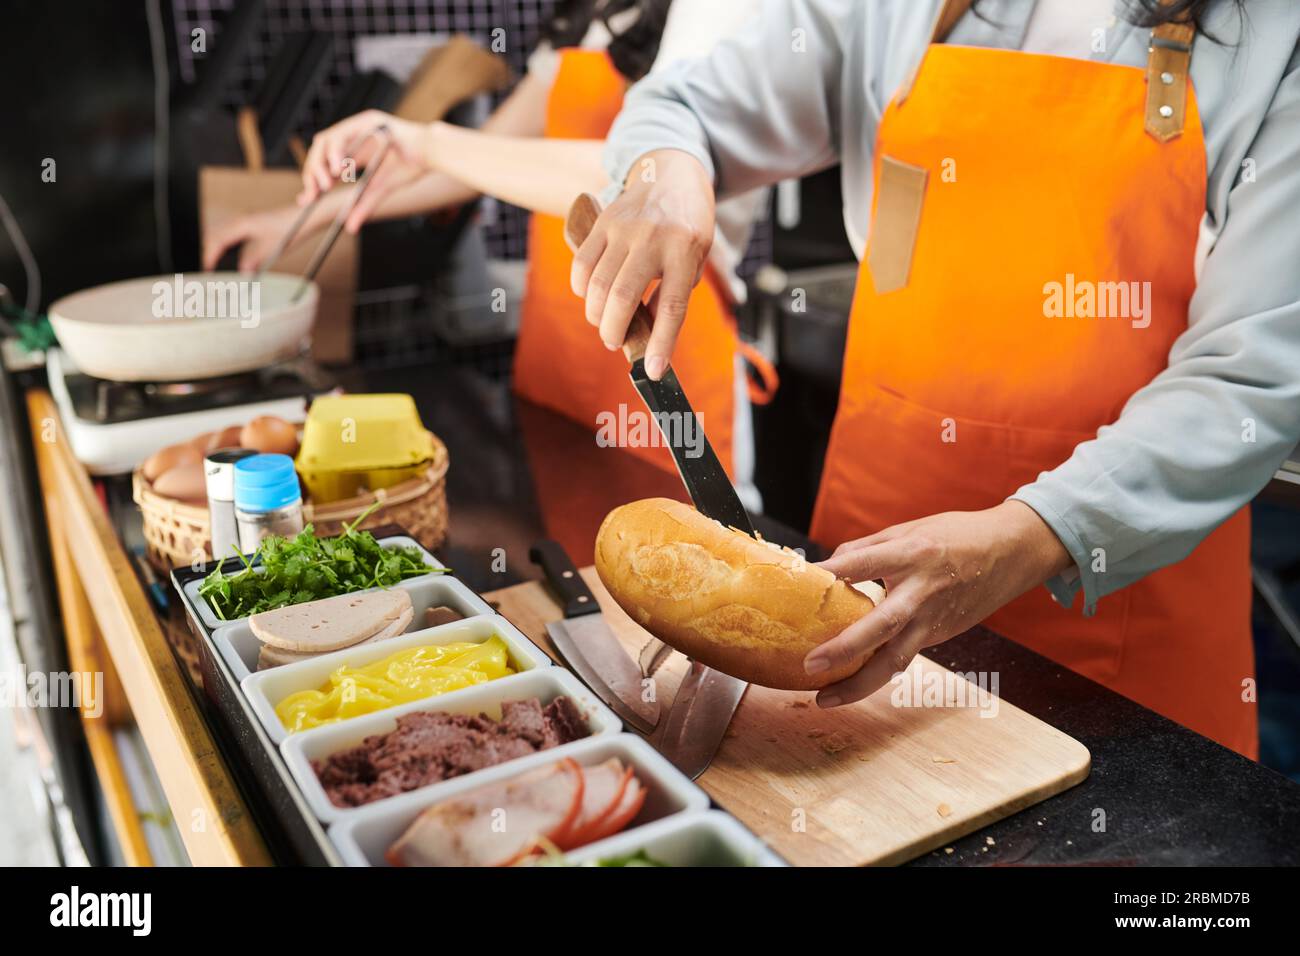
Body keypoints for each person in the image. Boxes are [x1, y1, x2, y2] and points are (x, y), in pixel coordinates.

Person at [568, 0, 1300, 758]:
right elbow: (684, 104)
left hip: (1119, 634)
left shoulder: (1281, 38)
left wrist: (1033, 536)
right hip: (862, 618)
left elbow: (1252, 377)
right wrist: (666, 168)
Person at [206, 0, 770, 502]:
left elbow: (644, 181)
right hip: (563, 351)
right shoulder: (590, 16)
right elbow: (483, 156)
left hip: (668, 348)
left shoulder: (717, 10)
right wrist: (300, 219)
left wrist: (427, 141)